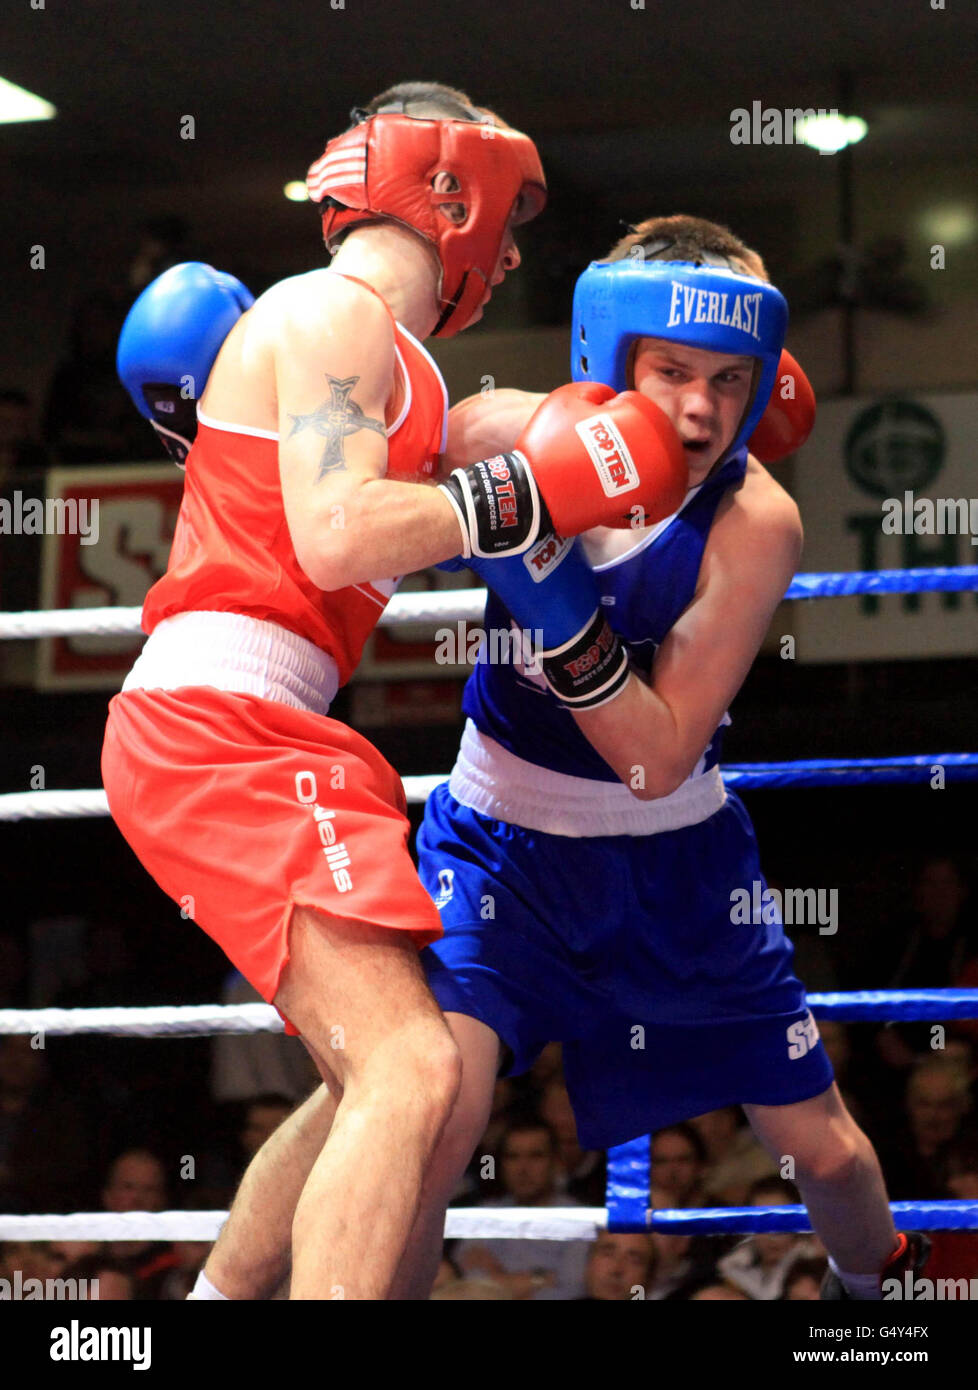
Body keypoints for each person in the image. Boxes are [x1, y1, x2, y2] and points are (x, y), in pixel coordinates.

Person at [103, 81, 684, 1302]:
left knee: (374, 1072)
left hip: (270, 726)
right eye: (507, 216)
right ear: (448, 188)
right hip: (221, 720)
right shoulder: (329, 313)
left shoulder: (411, 377)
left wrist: (680, 427)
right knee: (415, 1072)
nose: (513, 249)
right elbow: (335, 533)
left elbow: (553, 444)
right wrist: (529, 496)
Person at [395, 215, 926, 1302]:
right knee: (432, 1123)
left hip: (674, 864)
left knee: (822, 1153)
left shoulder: (754, 524)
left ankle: (880, 1300)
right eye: (673, 368)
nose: (699, 405)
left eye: (731, 379)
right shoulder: (502, 429)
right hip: (498, 848)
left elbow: (656, 755)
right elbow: (358, 475)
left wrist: (555, 599)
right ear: (610, 354)